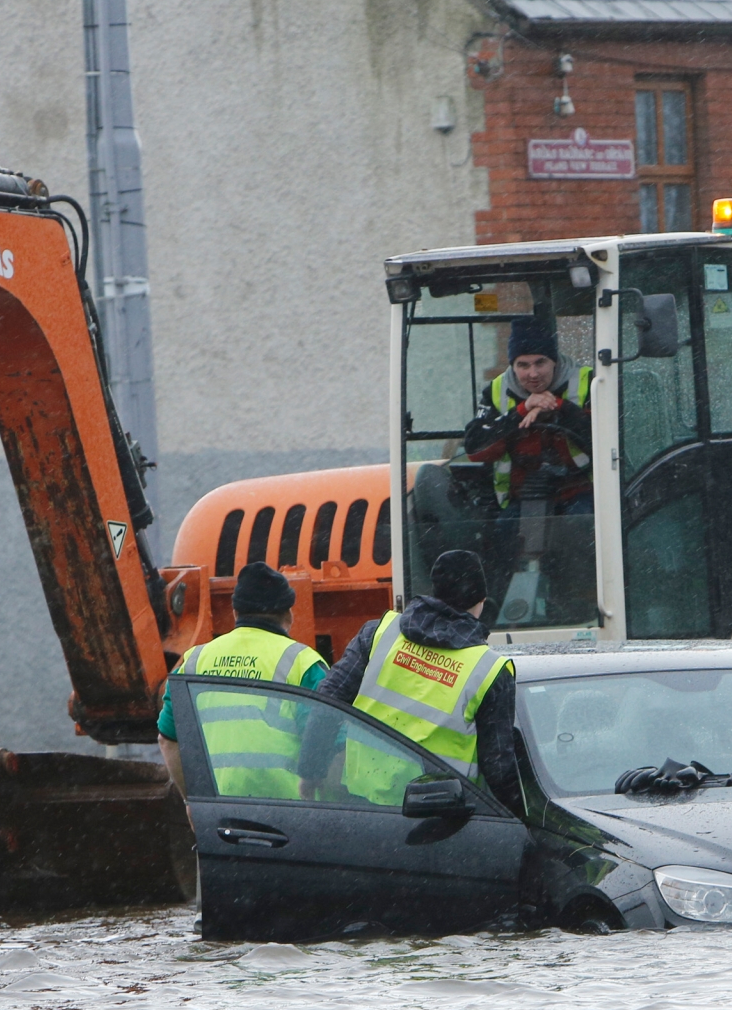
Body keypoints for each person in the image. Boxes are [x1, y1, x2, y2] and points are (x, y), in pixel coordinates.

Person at [315, 549, 522, 813]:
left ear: (434, 592)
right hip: (441, 814)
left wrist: (312, 771)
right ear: (481, 601)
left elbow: (326, 702)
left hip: (366, 805)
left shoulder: (379, 633)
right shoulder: (490, 670)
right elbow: (499, 766)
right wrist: (518, 814)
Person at [157, 561, 326, 799]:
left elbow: (168, 741)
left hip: (221, 815)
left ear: (235, 612)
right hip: (291, 816)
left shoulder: (194, 662)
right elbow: (327, 742)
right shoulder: (303, 663)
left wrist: (193, 801)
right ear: (289, 614)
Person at [462, 316, 595, 514]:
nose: (533, 374)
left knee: (584, 524)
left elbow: (605, 439)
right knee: (503, 532)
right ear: (513, 367)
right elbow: (475, 449)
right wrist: (522, 410)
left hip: (580, 492)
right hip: (521, 496)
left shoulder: (590, 381)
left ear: (554, 362)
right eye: (523, 365)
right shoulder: (495, 391)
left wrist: (559, 406)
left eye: (540, 363)